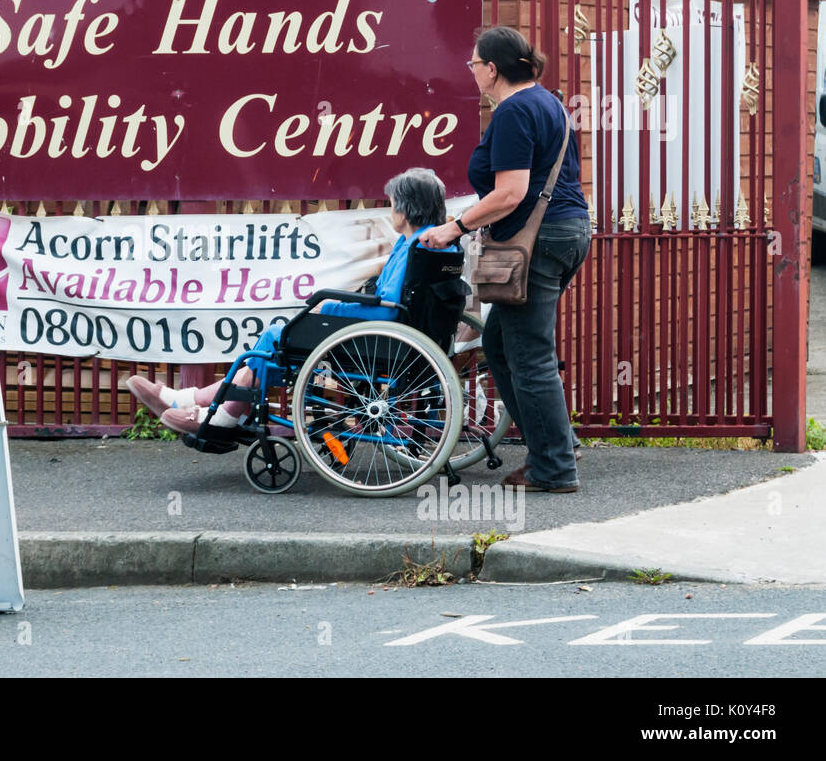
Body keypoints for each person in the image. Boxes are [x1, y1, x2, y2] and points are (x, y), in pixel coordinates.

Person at [127, 168, 458, 435]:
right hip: (402, 337)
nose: (391, 210)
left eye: (392, 203)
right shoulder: (436, 243)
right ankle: (196, 403)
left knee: (276, 338)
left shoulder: (417, 246)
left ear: (407, 206)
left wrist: (328, 308)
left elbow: (387, 307)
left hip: (381, 339)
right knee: (277, 346)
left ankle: (218, 412)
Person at [420, 26, 590, 492]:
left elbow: (511, 192)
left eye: (474, 64)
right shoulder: (549, 102)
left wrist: (456, 226)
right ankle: (557, 442)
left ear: (492, 69)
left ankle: (553, 467)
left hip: (537, 240)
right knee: (500, 345)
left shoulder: (515, 111)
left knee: (528, 353)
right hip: (567, 232)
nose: (472, 71)